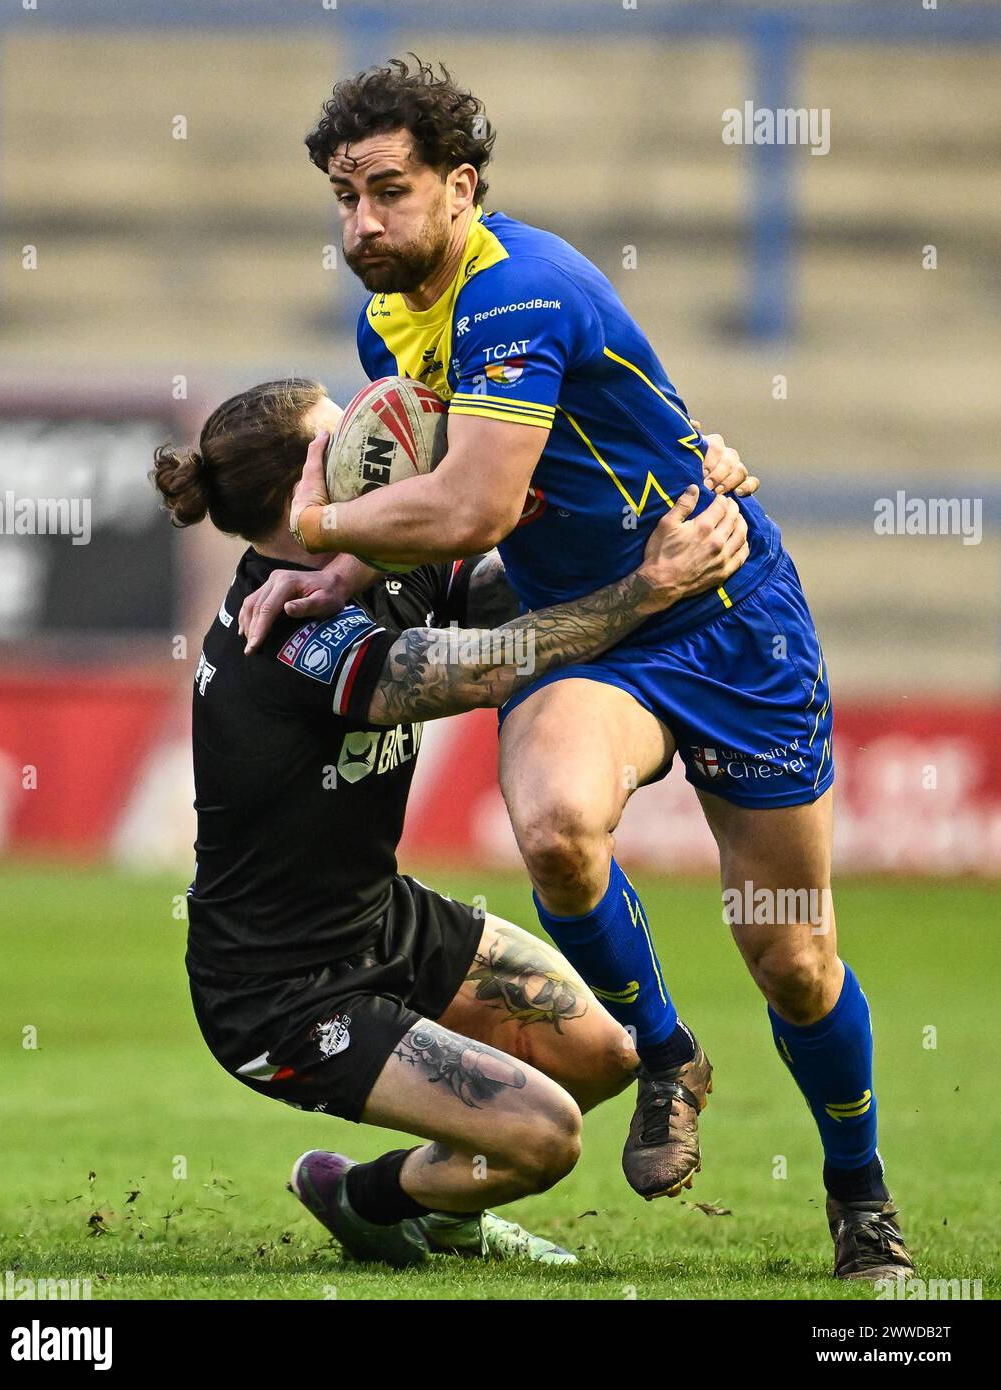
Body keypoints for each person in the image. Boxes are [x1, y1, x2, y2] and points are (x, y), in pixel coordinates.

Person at [246, 57, 912, 1280]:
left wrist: (324, 530)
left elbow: (466, 508)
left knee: (792, 956)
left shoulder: (517, 291)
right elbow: (438, 492)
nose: (361, 225)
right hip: (596, 623)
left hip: (724, 617)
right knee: (554, 823)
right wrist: (340, 576)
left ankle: (857, 1192)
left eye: (387, 192)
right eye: (343, 198)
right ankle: (666, 1057)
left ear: (461, 186)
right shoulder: (386, 317)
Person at [151, 376, 749, 1267]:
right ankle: (357, 1194)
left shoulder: (377, 557)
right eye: (340, 430)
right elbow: (482, 669)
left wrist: (672, 501)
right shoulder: (283, 633)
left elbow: (518, 586)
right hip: (278, 990)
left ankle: (447, 1213)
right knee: (544, 1137)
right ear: (313, 474)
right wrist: (647, 592)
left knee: (606, 1059)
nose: (370, 431)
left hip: (378, 917)